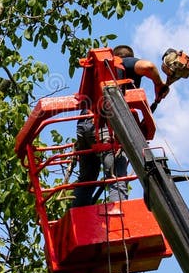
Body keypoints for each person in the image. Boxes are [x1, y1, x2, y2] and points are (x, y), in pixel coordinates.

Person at [71, 45, 170, 207]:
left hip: (84, 126)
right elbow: (148, 67)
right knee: (117, 178)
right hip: (105, 125)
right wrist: (158, 83)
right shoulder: (123, 62)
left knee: (86, 179)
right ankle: (119, 218)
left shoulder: (96, 76)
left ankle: (78, 217)